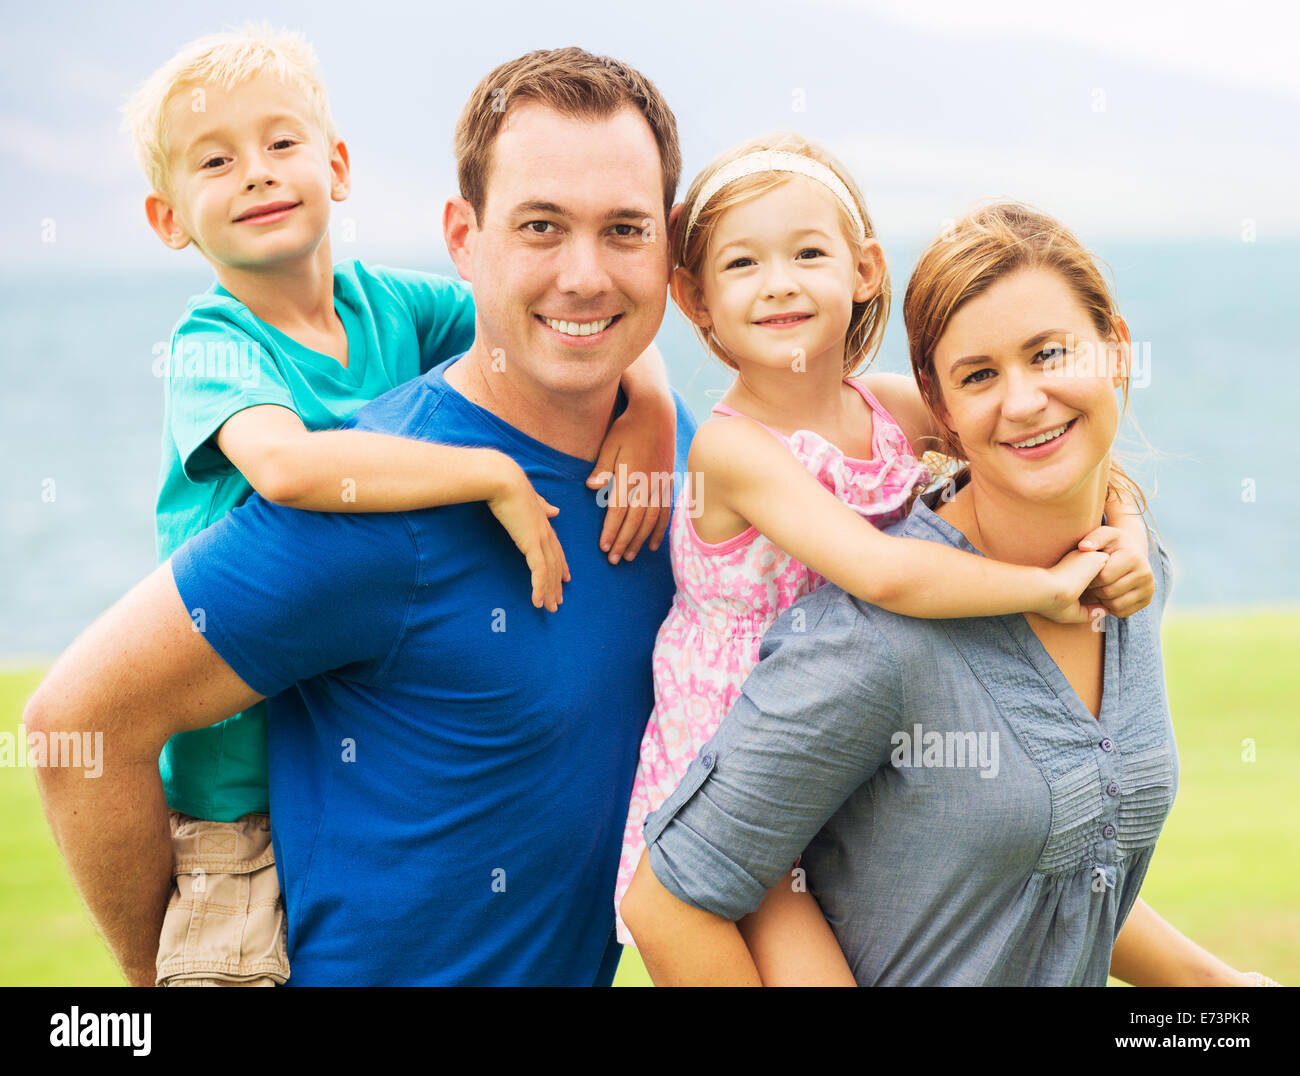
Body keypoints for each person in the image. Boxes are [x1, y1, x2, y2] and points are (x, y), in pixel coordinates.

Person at [26, 46, 695, 986]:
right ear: (464, 238)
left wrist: (654, 407)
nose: (583, 273)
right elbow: (73, 727)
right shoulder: (356, 500)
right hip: (232, 829)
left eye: (623, 230)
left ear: (670, 245)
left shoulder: (692, 475)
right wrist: (152, 974)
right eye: (540, 226)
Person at [622, 202, 1279, 987]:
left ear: (1118, 351)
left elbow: (1056, 868)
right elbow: (668, 899)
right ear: (941, 410)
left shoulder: (1134, 573)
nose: (1025, 400)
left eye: (1049, 353)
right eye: (980, 376)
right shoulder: (872, 641)